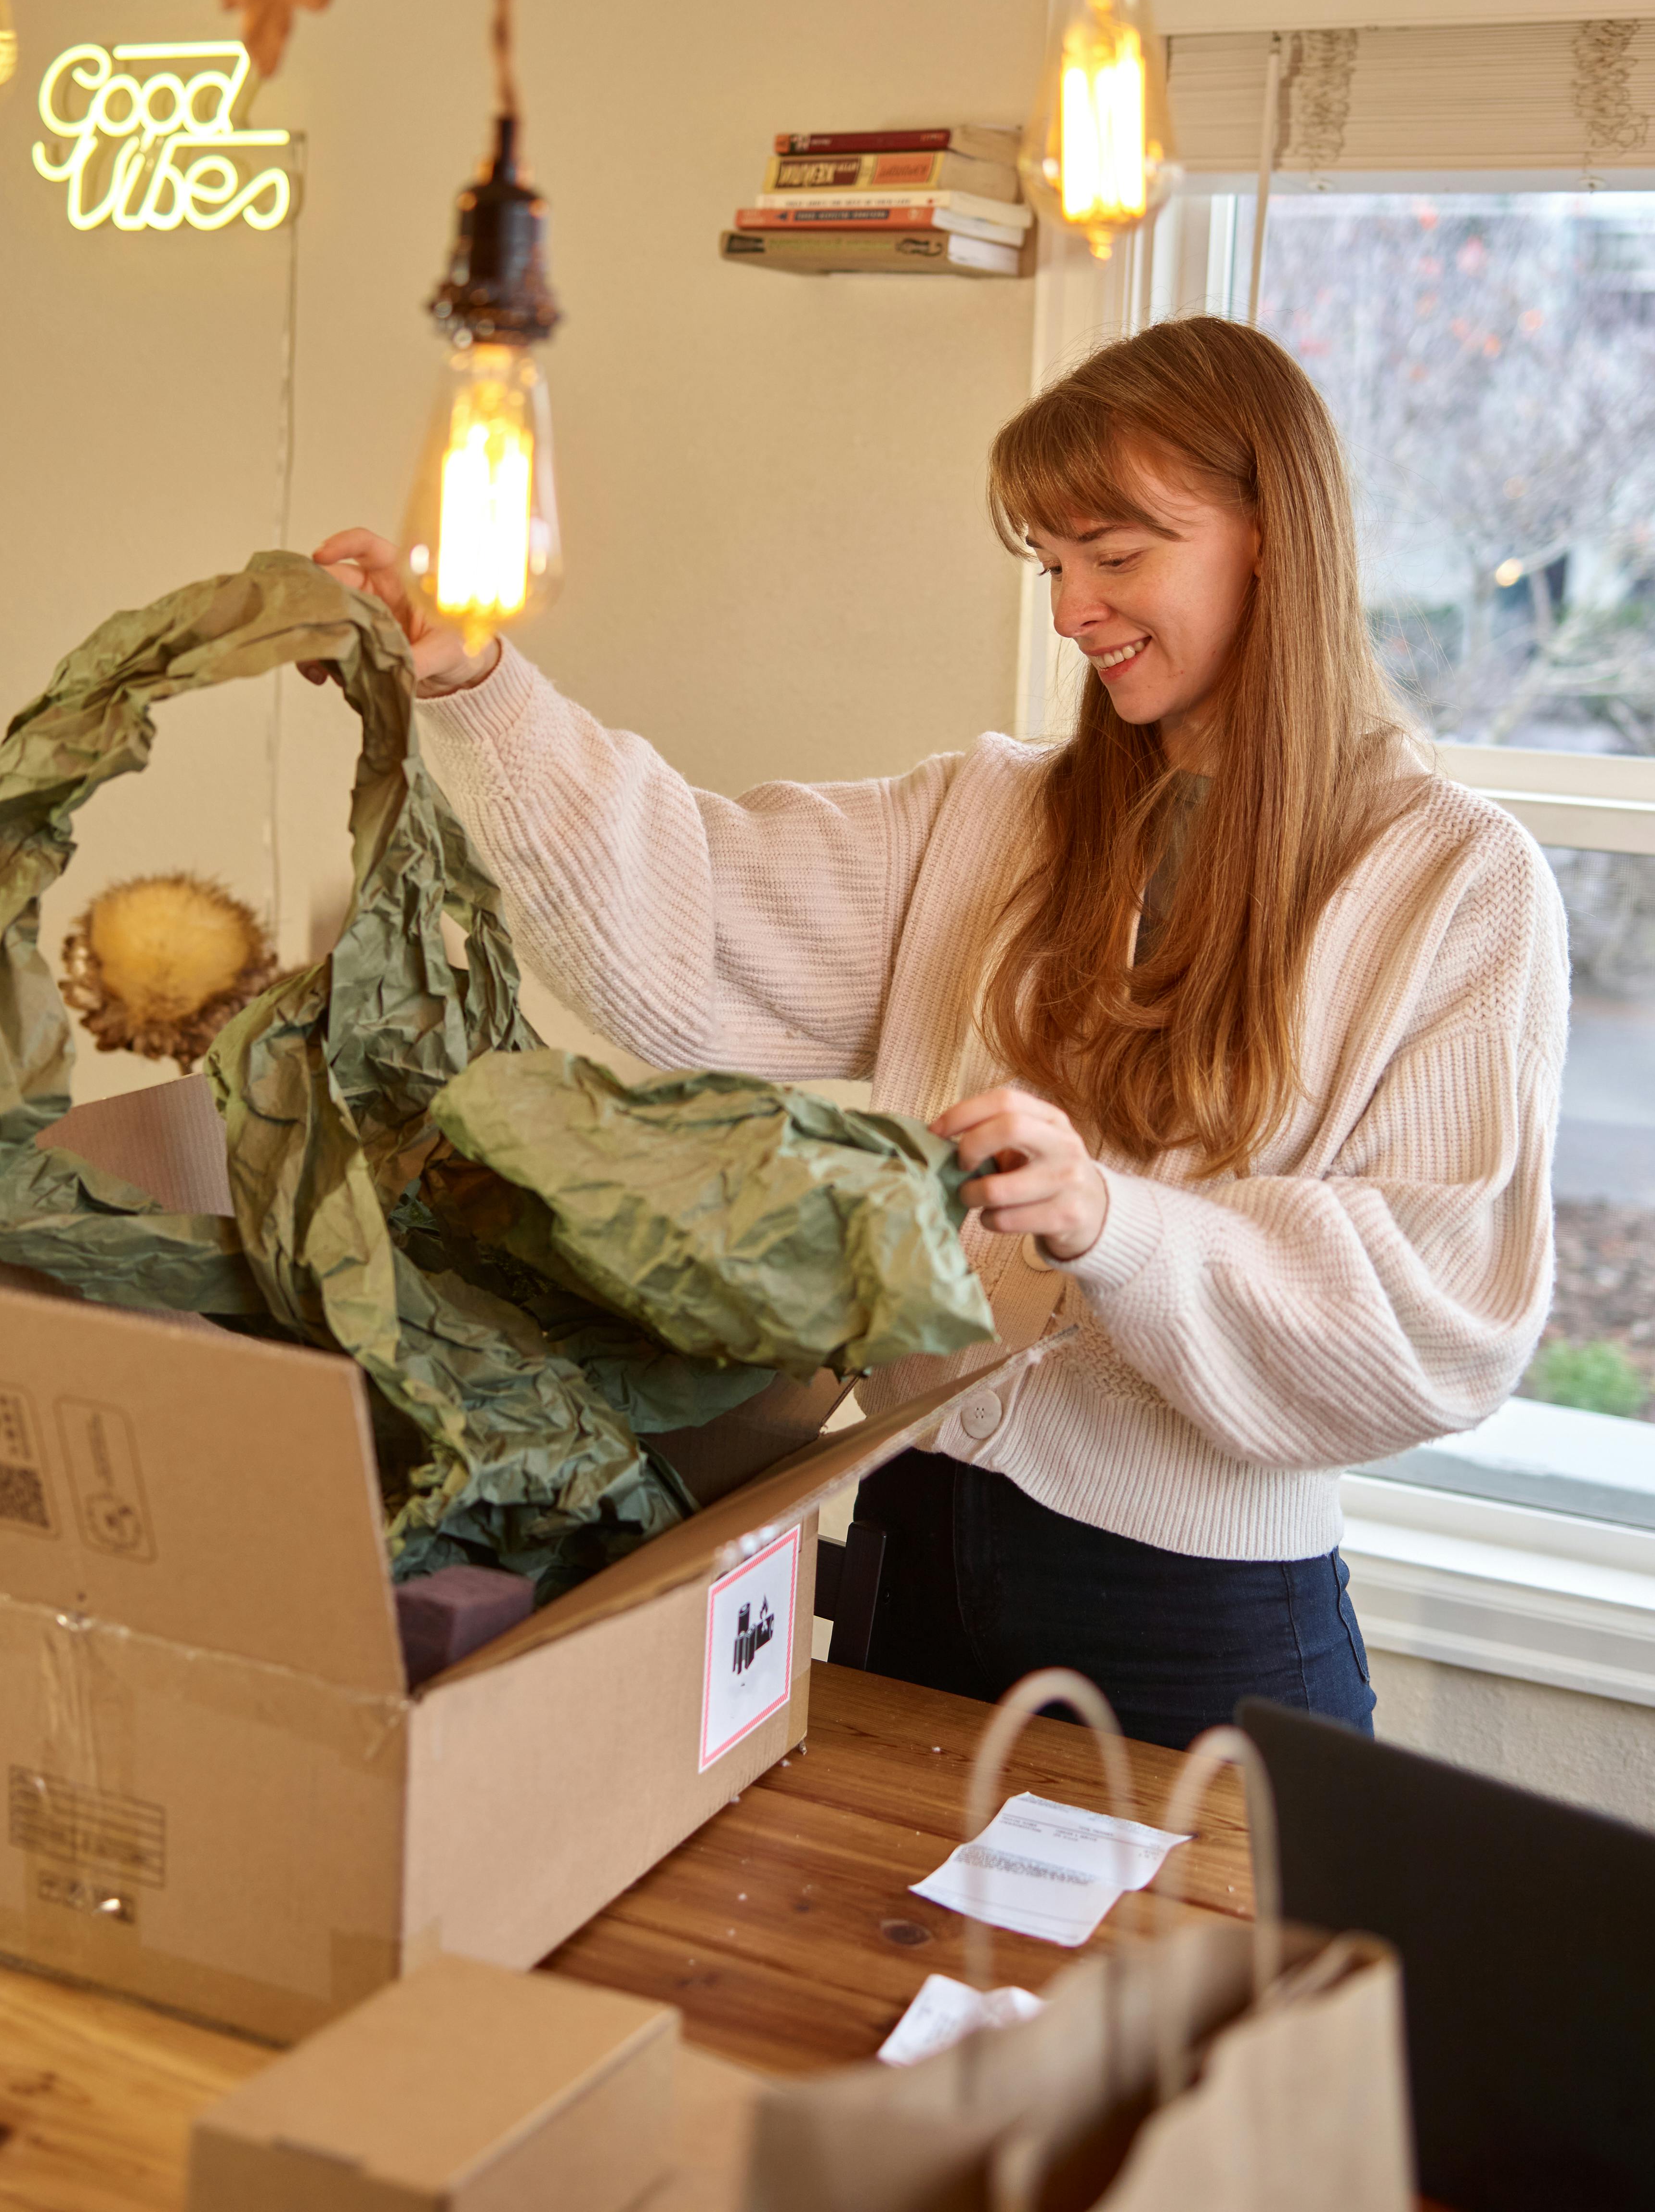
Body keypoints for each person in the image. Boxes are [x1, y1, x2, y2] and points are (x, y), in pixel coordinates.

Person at [314, 314, 1566, 1750]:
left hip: (1194, 1618)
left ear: (1274, 538)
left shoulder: (1458, 886)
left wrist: (1112, 1224)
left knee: (1191, 1920)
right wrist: (474, 683)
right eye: (1051, 564)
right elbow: (686, 915)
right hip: (904, 1545)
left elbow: (1439, 1314)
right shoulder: (995, 817)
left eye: (1116, 555)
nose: (1073, 612)